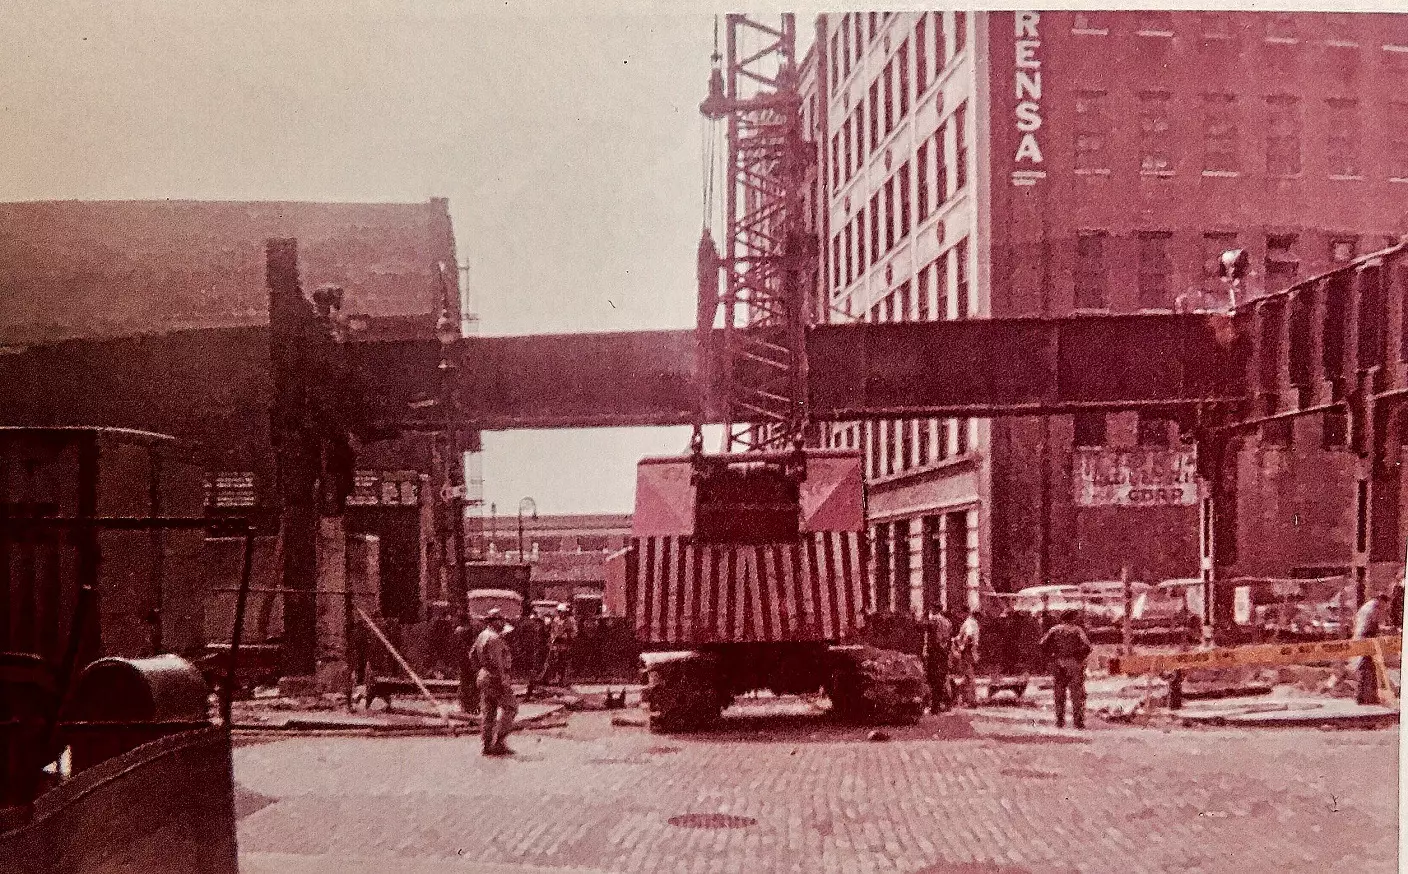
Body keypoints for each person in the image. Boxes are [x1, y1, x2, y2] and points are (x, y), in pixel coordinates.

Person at [471, 609, 519, 755]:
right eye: (500, 620)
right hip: (495, 677)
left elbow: (472, 655)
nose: (502, 622)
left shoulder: (482, 636)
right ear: (494, 621)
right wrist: (503, 679)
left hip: (484, 675)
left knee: (489, 711)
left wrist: (480, 669)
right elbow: (498, 662)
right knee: (511, 707)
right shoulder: (494, 639)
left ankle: (486, 745)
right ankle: (499, 741)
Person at [1040, 610, 1093, 729]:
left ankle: (1059, 720)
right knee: (1077, 694)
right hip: (1073, 664)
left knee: (1059, 692)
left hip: (1058, 663)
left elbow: (1042, 644)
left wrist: (1051, 657)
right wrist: (1079, 659)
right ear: (1073, 618)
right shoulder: (1077, 630)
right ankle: (1078, 722)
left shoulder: (1054, 630)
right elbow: (1088, 647)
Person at [1352, 591, 1386, 706]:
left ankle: (1364, 696)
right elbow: (1372, 625)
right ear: (1381, 600)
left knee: (1365, 668)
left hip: (1360, 637)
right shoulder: (1373, 607)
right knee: (1368, 668)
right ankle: (1366, 697)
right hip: (1366, 639)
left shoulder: (1366, 606)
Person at [538, 604, 578, 688]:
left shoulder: (570, 621)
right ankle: (547, 679)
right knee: (551, 661)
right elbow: (552, 631)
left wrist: (566, 636)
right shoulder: (555, 620)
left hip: (565, 644)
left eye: (563, 612)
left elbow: (574, 633)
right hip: (555, 644)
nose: (561, 614)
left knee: (563, 663)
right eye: (560, 612)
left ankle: (563, 680)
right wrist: (552, 637)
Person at [922, 610, 953, 713]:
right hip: (944, 652)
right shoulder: (947, 622)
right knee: (942, 678)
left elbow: (927, 634)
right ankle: (943, 703)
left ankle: (935, 705)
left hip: (934, 652)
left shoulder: (934, 620)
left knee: (933, 679)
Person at [955, 609, 981, 707]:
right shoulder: (974, 623)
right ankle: (966, 699)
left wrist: (961, 647)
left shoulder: (969, 622)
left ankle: (971, 700)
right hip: (970, 650)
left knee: (968, 676)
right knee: (967, 676)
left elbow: (968, 636)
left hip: (967, 651)